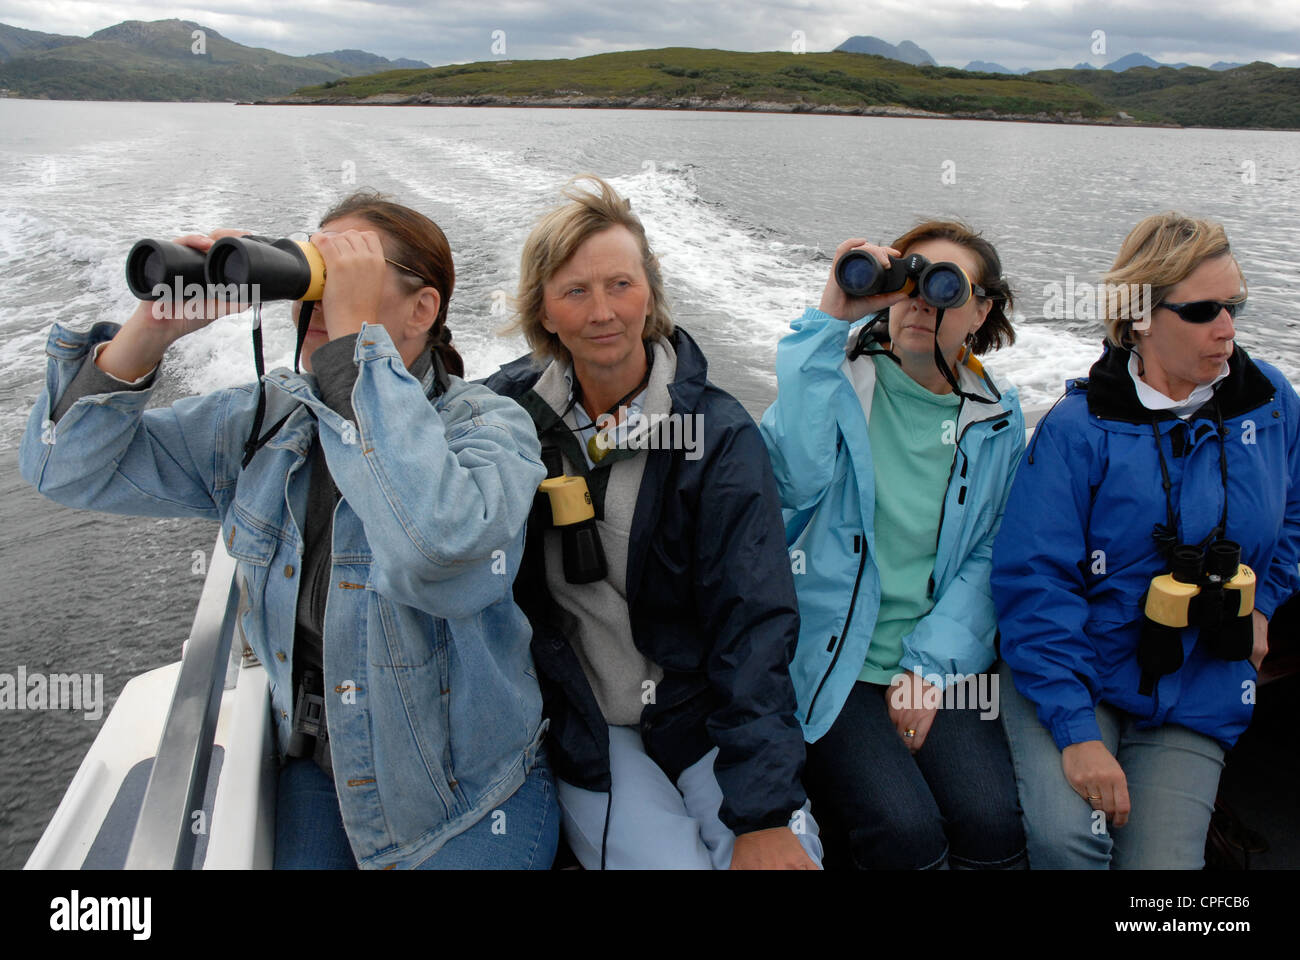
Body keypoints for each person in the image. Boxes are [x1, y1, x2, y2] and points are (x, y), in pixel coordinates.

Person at [19, 192, 558, 870]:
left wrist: (355, 355)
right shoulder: (268, 421)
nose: (318, 301)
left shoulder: (488, 427)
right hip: (323, 770)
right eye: (312, 274)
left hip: (465, 796)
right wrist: (151, 330)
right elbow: (65, 468)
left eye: (344, 277)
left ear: (423, 311)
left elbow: (438, 554)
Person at [486, 175, 821, 870]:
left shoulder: (717, 436)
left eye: (620, 285)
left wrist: (761, 813)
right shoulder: (501, 419)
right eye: (575, 291)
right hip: (588, 717)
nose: (603, 311)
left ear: (651, 293)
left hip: (701, 715)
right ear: (543, 311)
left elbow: (752, 622)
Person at [992, 212, 1299, 868]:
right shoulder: (1077, 430)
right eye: (1205, 310)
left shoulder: (1272, 403)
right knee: (1071, 840)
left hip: (1201, 680)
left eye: (1236, 305)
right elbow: (1036, 584)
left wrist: (1266, 602)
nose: (1228, 328)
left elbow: (1297, 508)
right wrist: (1077, 734)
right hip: (1076, 675)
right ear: (1140, 316)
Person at [759, 222, 1027, 869]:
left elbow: (992, 554)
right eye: (909, 281)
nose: (921, 301)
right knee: (906, 833)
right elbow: (789, 479)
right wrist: (828, 319)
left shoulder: (998, 417)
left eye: (946, 287)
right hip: (834, 659)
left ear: (982, 310)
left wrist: (930, 670)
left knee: (992, 823)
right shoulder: (837, 384)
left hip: (937, 656)